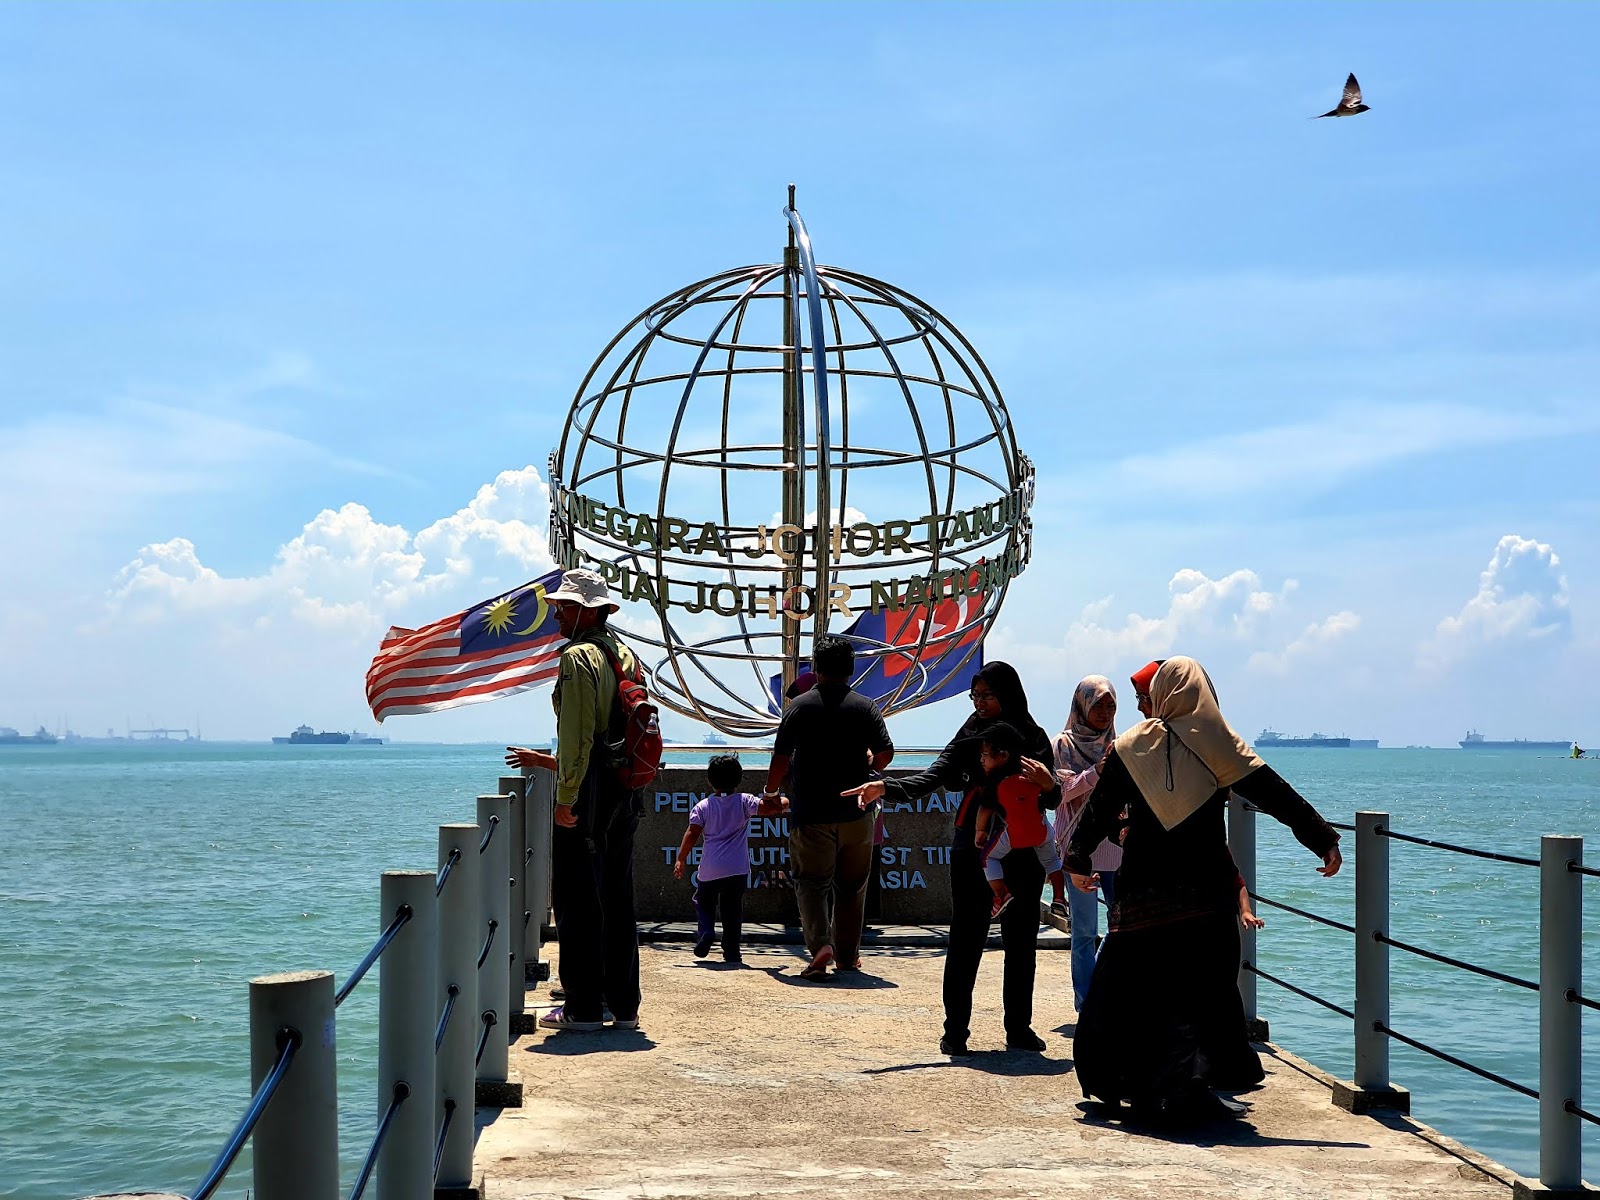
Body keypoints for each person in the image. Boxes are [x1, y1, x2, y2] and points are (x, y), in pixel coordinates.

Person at [1066, 656, 1342, 1122]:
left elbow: (1098, 811)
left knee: (1132, 990)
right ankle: (1187, 1086)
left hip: (1142, 897)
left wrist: (1076, 859)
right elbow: (1275, 793)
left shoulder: (1130, 746)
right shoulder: (1219, 743)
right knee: (1203, 994)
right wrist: (1323, 840)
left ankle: (1126, 1082)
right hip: (1204, 897)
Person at [843, 662, 1061, 1056]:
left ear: (1007, 694)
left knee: (1021, 941)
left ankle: (1019, 1029)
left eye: (987, 696)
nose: (979, 703)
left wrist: (1050, 785)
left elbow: (1051, 798)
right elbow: (934, 775)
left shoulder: (1033, 737)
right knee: (965, 938)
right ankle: (955, 1030)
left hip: (1023, 851)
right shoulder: (971, 737)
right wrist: (886, 788)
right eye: (974, 696)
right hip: (973, 850)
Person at [504, 568, 643, 1033]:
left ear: (586, 610)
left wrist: (565, 799)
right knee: (617, 897)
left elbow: (578, 736)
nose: (557, 615)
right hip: (625, 787)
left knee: (577, 899)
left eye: (563, 607)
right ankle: (623, 1004)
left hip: (589, 790)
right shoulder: (624, 654)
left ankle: (583, 1007)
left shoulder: (578, 658)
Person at [764, 635, 895, 981]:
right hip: (857, 812)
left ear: (816, 668)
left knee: (811, 882)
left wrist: (771, 791)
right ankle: (848, 956)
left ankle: (821, 945)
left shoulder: (799, 708)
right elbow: (885, 755)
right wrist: (867, 759)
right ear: (851, 669)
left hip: (812, 813)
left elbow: (779, 760)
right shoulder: (866, 707)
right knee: (852, 886)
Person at [1049, 675, 1121, 1011]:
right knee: (1083, 932)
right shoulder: (1061, 746)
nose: (1104, 712)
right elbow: (1058, 794)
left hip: (1116, 849)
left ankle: (1109, 995)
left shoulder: (1119, 743)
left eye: (1110, 705)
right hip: (1078, 851)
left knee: (1123, 925)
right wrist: (1096, 773)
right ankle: (1087, 1004)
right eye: (1097, 705)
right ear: (1082, 706)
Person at [673, 753, 787, 964]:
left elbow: (692, 833)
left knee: (703, 901)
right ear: (739, 779)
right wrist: (783, 801)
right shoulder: (745, 801)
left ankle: (706, 931)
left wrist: (681, 858)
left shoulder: (703, 807)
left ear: (709, 780)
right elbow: (772, 808)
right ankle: (732, 952)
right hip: (738, 869)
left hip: (710, 868)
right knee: (732, 910)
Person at [972, 722, 1067, 919]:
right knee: (1052, 860)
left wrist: (980, 832)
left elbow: (985, 809)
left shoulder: (994, 782)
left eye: (985, 755)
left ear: (1003, 755)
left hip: (1013, 836)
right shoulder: (1032, 774)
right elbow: (1050, 797)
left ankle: (1001, 894)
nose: (981, 759)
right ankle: (1059, 897)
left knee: (988, 858)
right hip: (1041, 831)